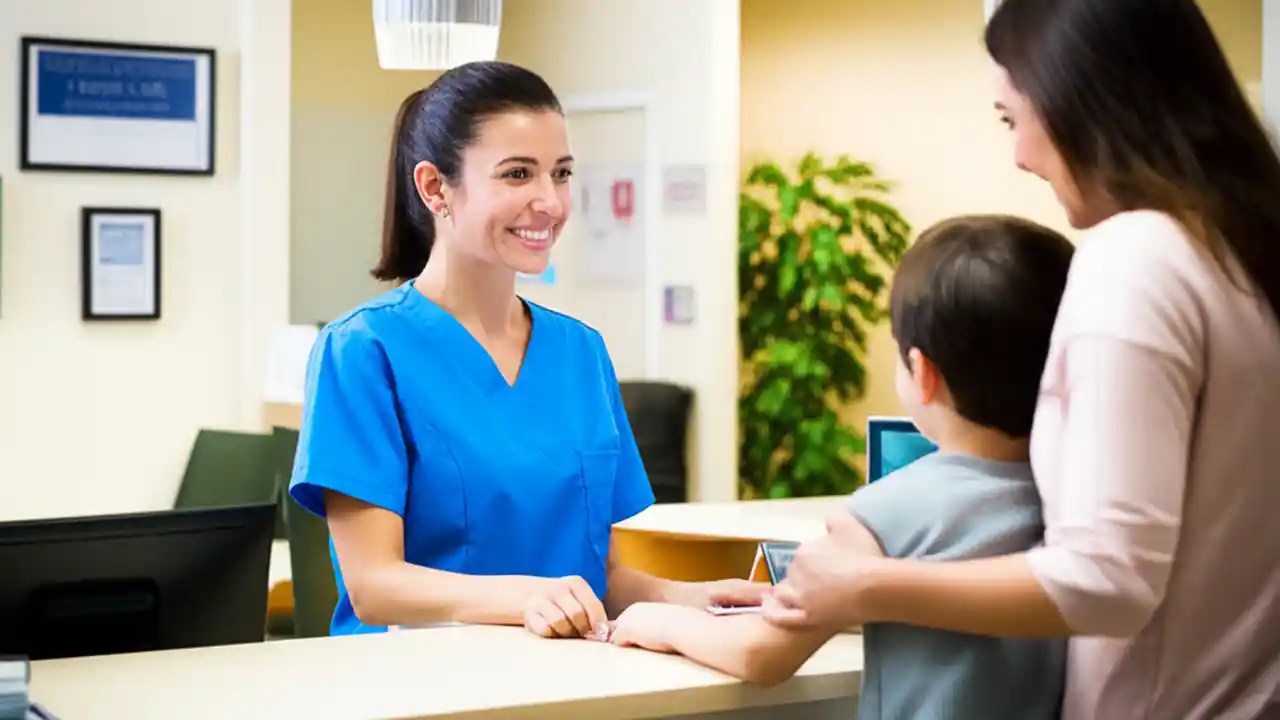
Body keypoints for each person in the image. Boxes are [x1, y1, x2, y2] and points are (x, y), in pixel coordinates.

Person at [760, 1, 1280, 718]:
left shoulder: (1136, 262)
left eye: (1013, 119)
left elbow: (1109, 579)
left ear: (1085, 104)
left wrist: (865, 585)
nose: (1019, 155)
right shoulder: (1243, 252)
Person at [288, 61, 758, 638]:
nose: (550, 202)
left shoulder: (580, 352)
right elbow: (374, 587)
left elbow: (597, 576)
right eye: (517, 175)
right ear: (435, 187)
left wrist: (693, 597)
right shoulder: (362, 351)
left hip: (570, 677)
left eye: (560, 174)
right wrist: (526, 597)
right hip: (419, 683)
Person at [608, 215, 1076, 720]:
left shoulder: (885, 510)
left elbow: (761, 654)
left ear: (922, 374)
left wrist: (655, 621)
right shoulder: (1072, 497)